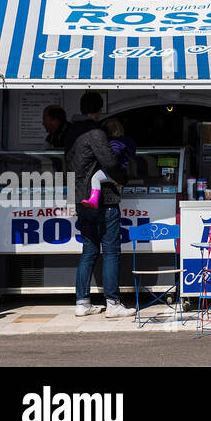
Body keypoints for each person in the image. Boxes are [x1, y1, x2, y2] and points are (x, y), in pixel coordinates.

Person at [65, 91, 134, 318]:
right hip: (103, 200)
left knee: (89, 250)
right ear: (99, 110)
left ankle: (82, 302)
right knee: (111, 251)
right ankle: (113, 303)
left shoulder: (71, 132)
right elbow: (110, 161)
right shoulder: (95, 132)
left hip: (80, 198)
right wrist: (123, 179)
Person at [80, 119, 135, 208]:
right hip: (120, 172)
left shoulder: (114, 142)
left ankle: (93, 200)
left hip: (113, 171)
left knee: (95, 178)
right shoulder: (125, 142)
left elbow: (112, 156)